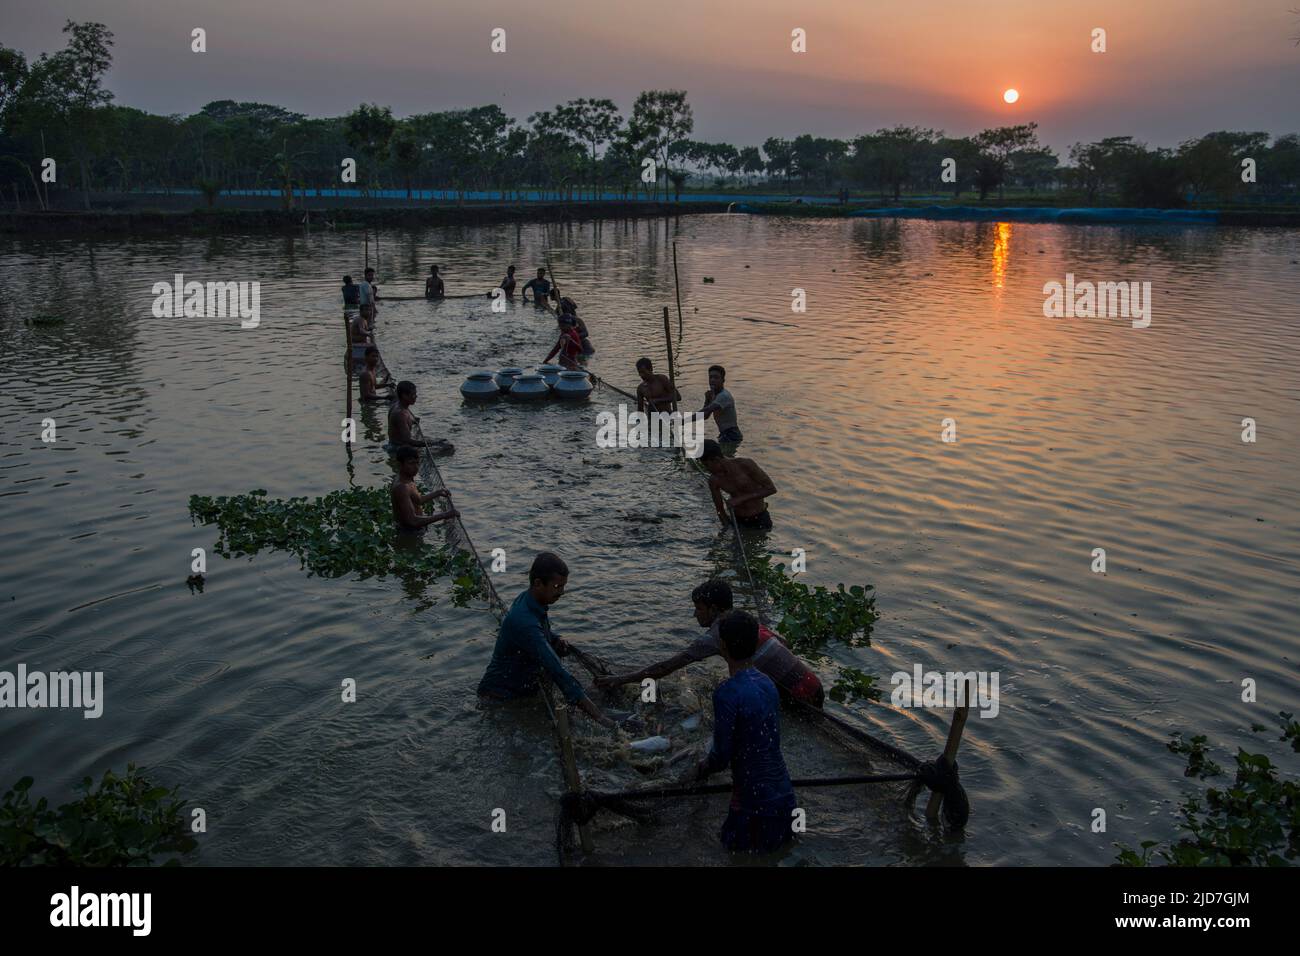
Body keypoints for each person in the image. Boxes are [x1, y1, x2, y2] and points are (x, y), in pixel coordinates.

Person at [595, 579, 824, 708]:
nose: (695, 615)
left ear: (714, 609)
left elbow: (666, 668)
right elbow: (784, 642)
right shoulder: (744, 618)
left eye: (699, 609)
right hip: (813, 684)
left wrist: (620, 679)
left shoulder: (718, 633)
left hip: (797, 696)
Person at [694, 609, 798, 854]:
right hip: (785, 796)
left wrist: (698, 769)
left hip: (752, 802)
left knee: (733, 854)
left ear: (722, 645)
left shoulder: (726, 693)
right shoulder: (767, 683)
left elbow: (720, 757)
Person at [478, 552, 616, 727]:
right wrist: (602, 719)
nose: (562, 592)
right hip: (500, 700)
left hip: (520, 691)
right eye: (557, 586)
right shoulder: (524, 621)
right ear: (537, 583)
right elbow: (557, 671)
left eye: (564, 586)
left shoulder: (530, 601)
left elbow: (541, 635)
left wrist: (555, 639)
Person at [700, 439, 776, 530]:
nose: (706, 469)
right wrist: (728, 528)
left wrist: (741, 499)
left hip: (760, 517)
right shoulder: (714, 480)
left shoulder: (746, 465)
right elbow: (720, 510)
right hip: (738, 520)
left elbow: (771, 489)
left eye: (707, 465)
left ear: (716, 460)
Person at [391, 446, 459, 535]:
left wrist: (438, 493)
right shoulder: (402, 488)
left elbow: (418, 500)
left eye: (417, 463)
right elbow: (413, 521)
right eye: (411, 463)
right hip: (409, 532)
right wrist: (445, 515)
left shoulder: (408, 478)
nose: (415, 467)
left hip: (416, 528)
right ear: (400, 465)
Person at [388, 380, 454, 454]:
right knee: (448, 449)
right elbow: (407, 441)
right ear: (404, 396)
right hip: (398, 449)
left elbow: (399, 427)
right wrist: (431, 444)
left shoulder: (398, 405)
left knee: (441, 442)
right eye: (413, 394)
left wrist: (411, 421)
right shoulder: (400, 413)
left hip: (395, 444)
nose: (416, 396)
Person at [699, 364, 742, 444]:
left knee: (722, 456)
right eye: (710, 377)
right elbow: (705, 416)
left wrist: (683, 420)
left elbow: (707, 409)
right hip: (724, 434)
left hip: (731, 435)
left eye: (716, 377)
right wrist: (707, 400)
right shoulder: (714, 395)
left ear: (723, 380)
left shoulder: (724, 396)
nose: (712, 380)